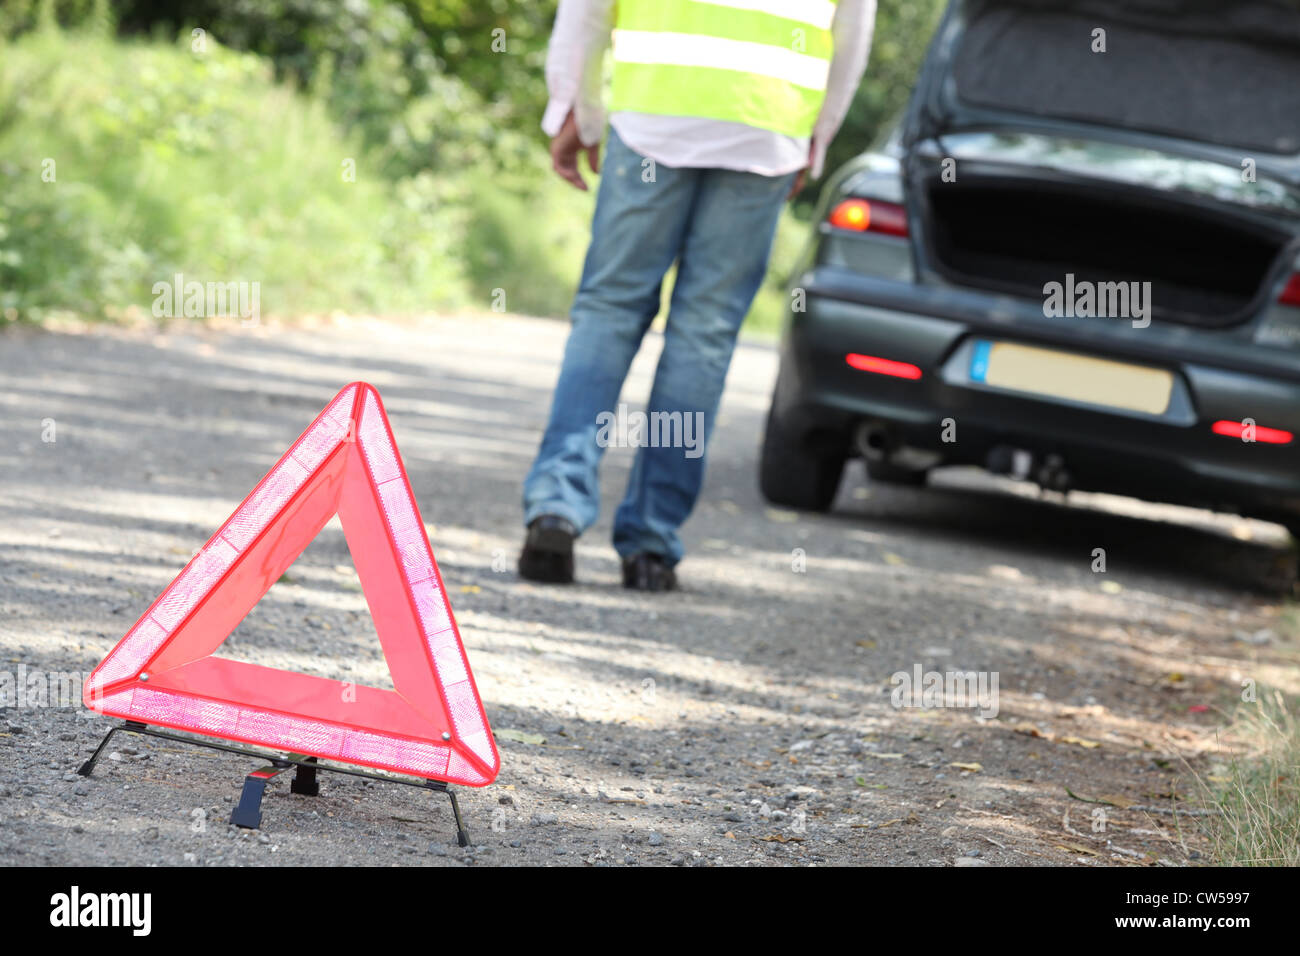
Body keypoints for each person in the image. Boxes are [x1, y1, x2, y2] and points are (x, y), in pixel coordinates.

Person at [519, 0, 878, 591]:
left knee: (609, 311)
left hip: (655, 113)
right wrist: (814, 137)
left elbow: (587, 12)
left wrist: (576, 111)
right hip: (765, 125)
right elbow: (853, 31)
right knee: (703, 334)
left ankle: (556, 507)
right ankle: (650, 544)